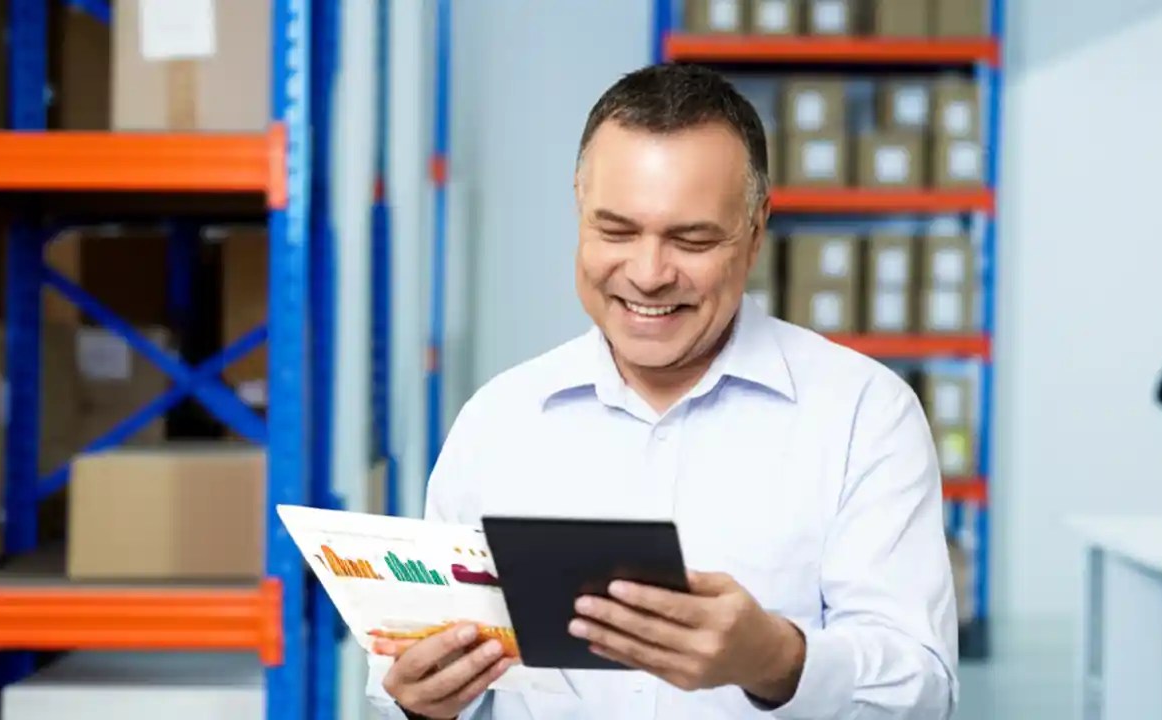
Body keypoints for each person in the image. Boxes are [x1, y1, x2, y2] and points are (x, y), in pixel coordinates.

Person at [366, 63, 958, 719]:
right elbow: (412, 682)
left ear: (755, 233)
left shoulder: (863, 416)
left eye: (691, 239)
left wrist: (776, 660)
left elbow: (923, 693)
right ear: (579, 209)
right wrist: (418, 703)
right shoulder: (499, 421)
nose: (648, 274)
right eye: (616, 231)